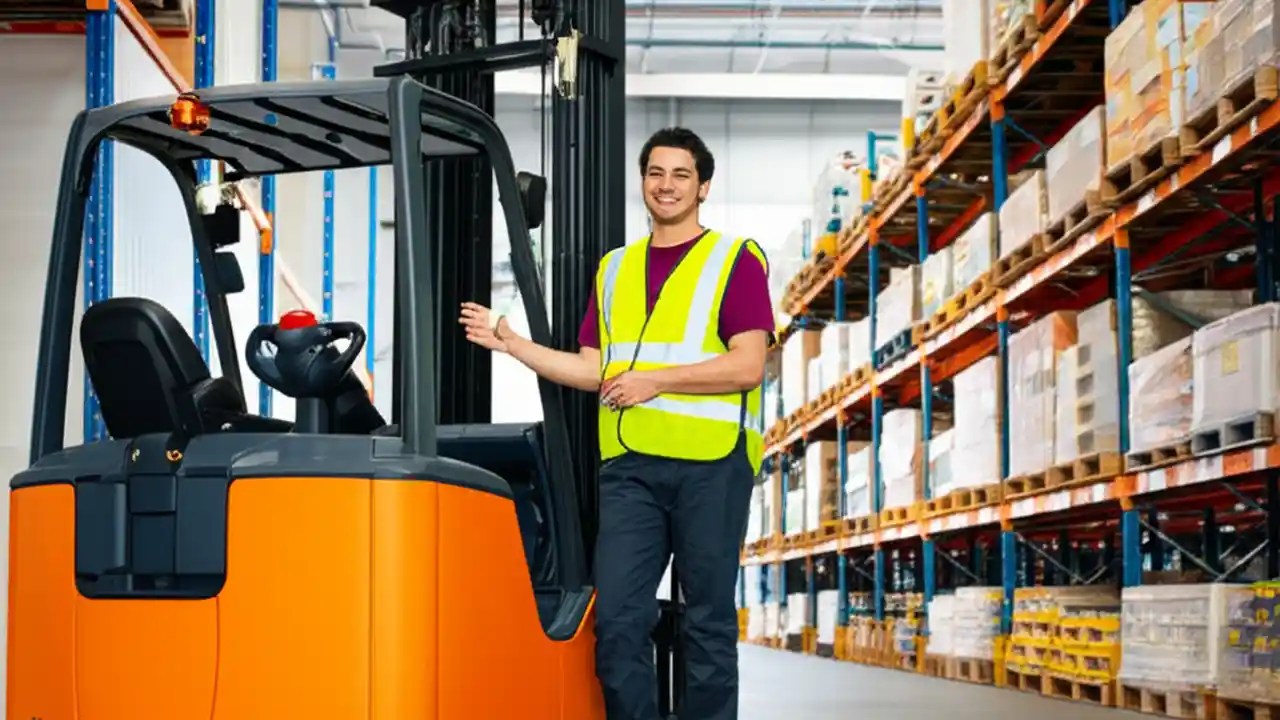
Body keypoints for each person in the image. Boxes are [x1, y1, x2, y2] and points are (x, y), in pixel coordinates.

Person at [458, 127, 773, 720]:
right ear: (643, 182)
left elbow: (748, 364)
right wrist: (515, 344)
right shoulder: (614, 270)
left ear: (703, 187)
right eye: (656, 173)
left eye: (681, 175)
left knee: (706, 624)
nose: (667, 185)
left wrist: (657, 381)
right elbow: (593, 369)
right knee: (619, 621)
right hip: (630, 471)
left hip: (712, 465)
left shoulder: (735, 259)